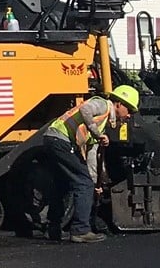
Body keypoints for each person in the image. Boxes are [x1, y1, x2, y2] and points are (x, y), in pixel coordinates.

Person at [39, 86, 139, 243]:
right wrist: (97, 133)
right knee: (82, 183)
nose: (129, 115)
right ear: (119, 104)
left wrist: (95, 183)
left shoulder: (103, 122)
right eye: (130, 110)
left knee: (62, 184)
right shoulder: (103, 105)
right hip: (61, 141)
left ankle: (53, 229)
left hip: (53, 139)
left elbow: (92, 155)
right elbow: (85, 109)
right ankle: (80, 230)